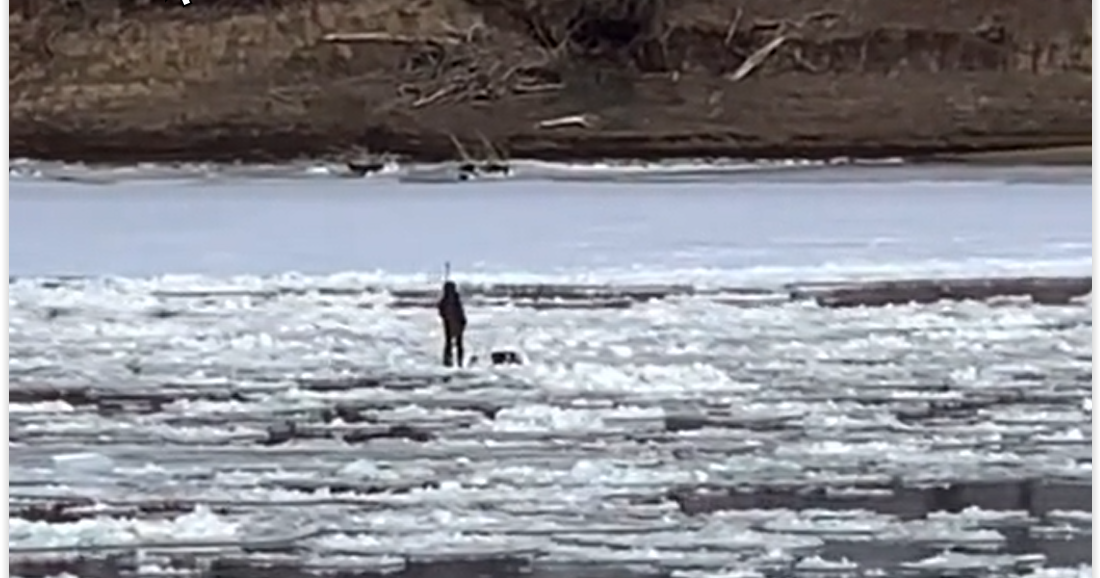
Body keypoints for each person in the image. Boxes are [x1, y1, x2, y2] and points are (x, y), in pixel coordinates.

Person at [437, 281, 467, 368]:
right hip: (450, 323)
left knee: (457, 343)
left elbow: (460, 312)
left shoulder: (454, 300)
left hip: (456, 322)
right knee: (450, 343)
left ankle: (458, 362)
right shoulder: (446, 300)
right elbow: (441, 311)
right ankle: (448, 361)